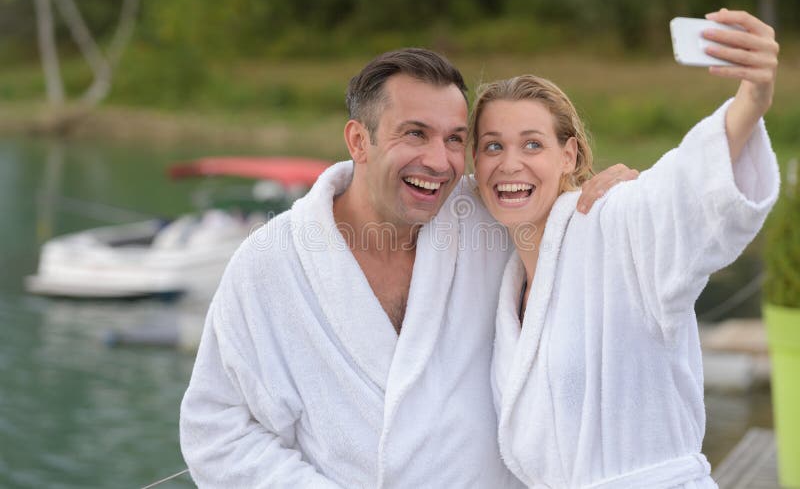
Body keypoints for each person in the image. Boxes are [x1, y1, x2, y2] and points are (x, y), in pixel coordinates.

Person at [179, 48, 633, 487]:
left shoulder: (488, 218)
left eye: (455, 139)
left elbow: (555, 204)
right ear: (359, 140)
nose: (438, 162)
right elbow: (216, 431)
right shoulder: (271, 263)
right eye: (415, 133)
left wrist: (626, 194)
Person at [470, 9, 780, 488]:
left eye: (532, 145)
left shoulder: (612, 224)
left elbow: (681, 194)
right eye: (492, 146)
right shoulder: (502, 280)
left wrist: (752, 98)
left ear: (568, 155)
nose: (510, 164)